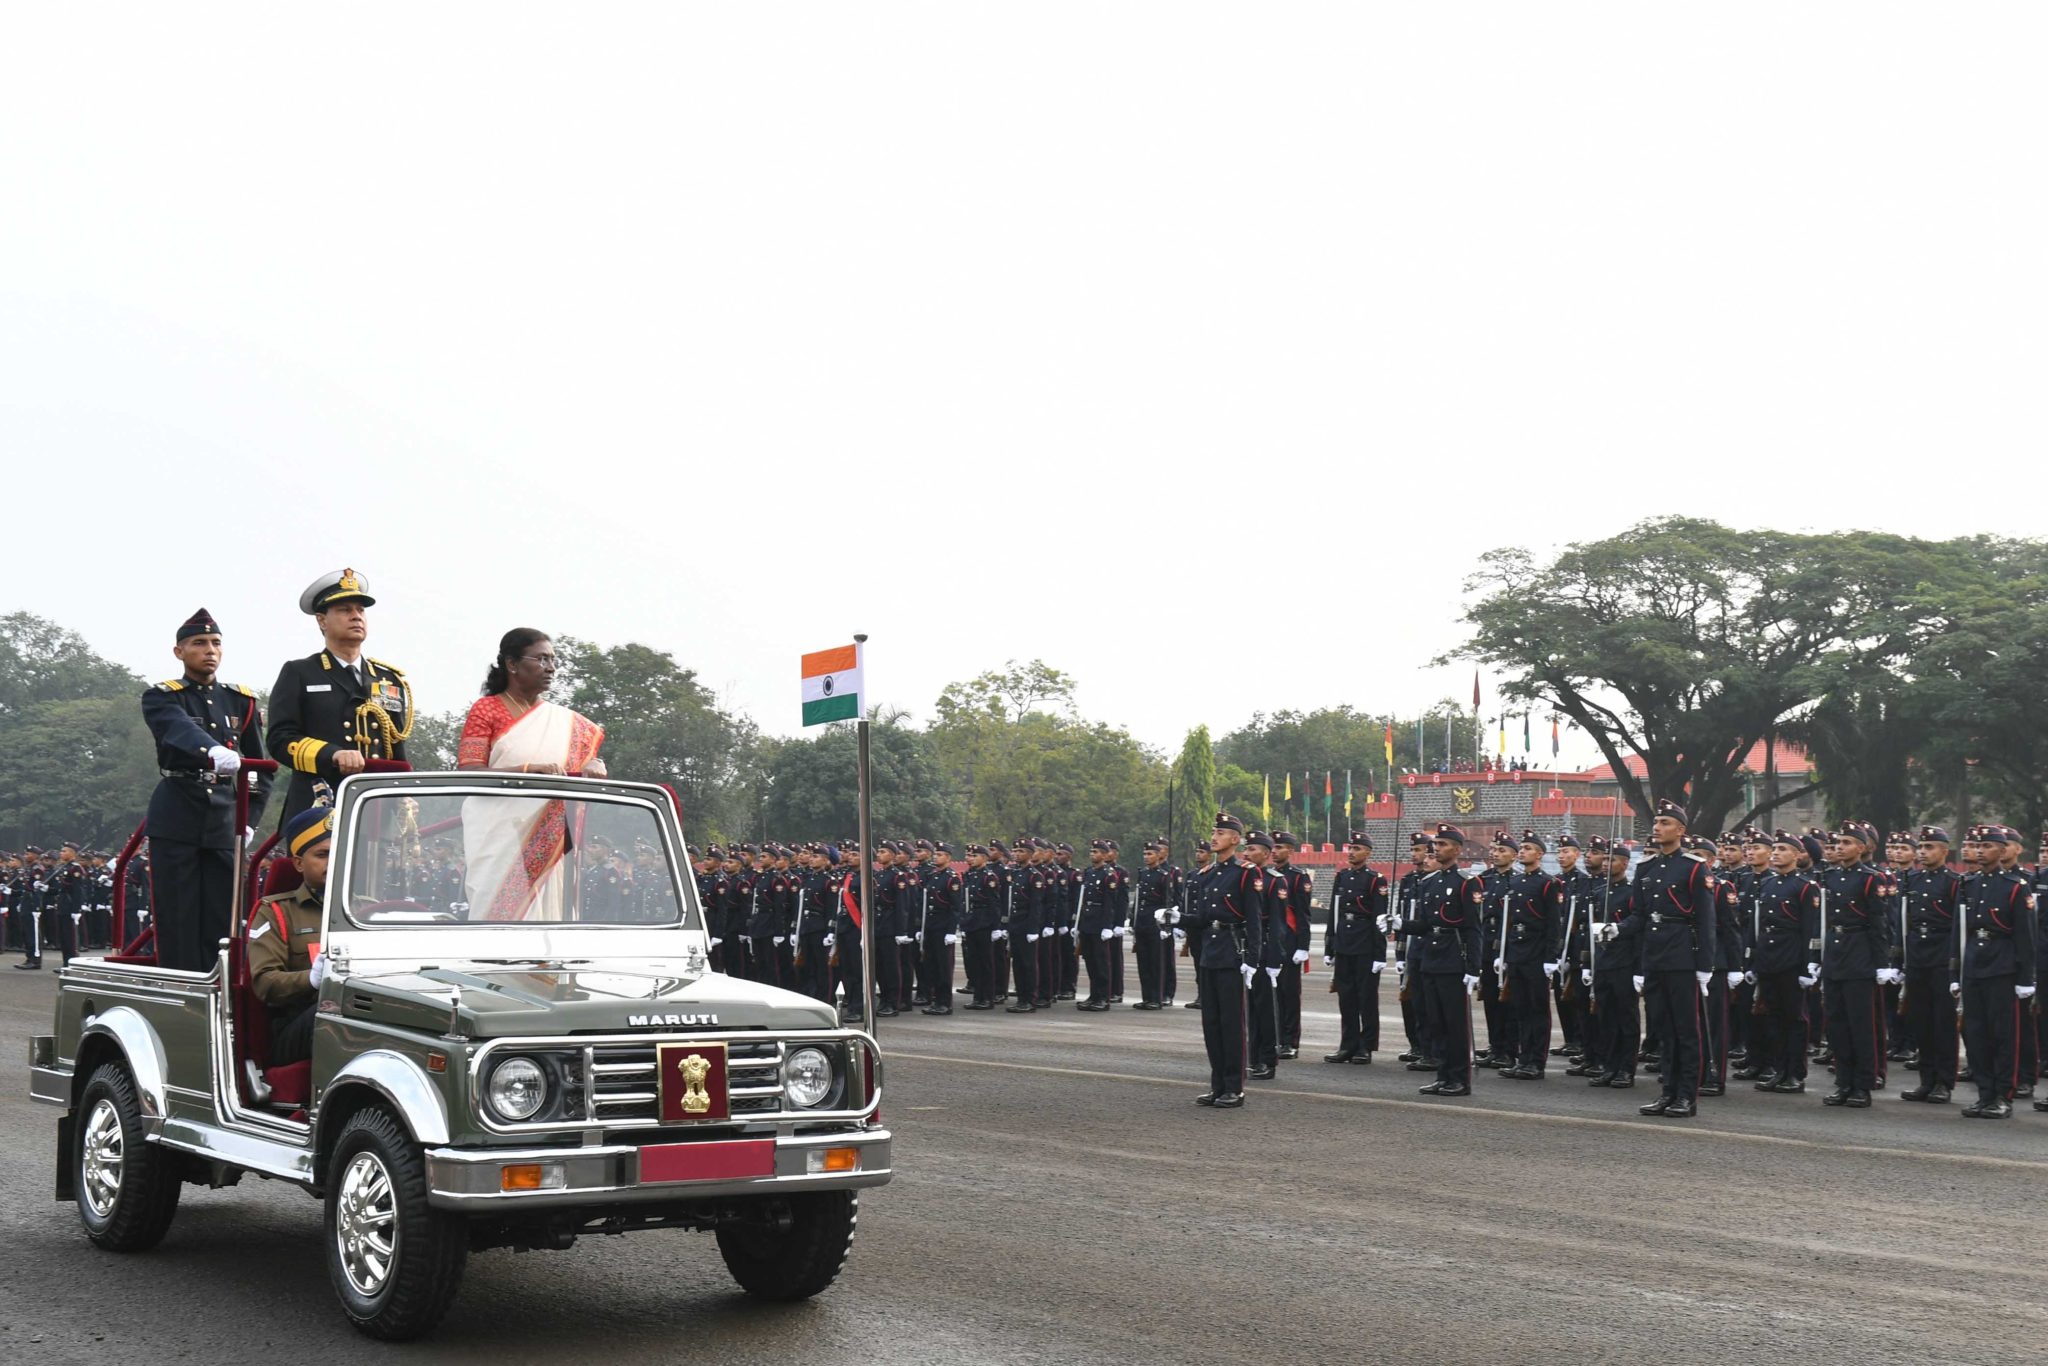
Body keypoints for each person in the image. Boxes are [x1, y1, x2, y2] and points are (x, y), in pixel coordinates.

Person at [141, 608, 273, 973]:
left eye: (216, 643)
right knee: (178, 916)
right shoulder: (163, 697)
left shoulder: (241, 700)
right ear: (179, 651)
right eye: (199, 643)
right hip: (178, 811)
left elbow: (259, 770)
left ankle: (222, 987)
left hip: (224, 818)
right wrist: (210, 750)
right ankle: (183, 989)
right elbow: (177, 728)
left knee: (223, 916)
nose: (209, 650)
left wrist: (250, 820)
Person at [268, 569, 414, 822]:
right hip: (318, 805)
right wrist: (332, 754)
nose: (356, 616)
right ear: (322, 621)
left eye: (361, 610)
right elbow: (280, 739)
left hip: (374, 808)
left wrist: (405, 795)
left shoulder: (388, 679)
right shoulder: (300, 672)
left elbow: (395, 747)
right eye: (345, 610)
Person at [1630, 799, 1716, 1119]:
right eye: (1656, 822)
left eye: (1664, 823)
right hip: (1655, 956)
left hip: (1682, 956)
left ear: (1680, 830)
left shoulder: (1694, 867)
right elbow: (1639, 917)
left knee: (1685, 1030)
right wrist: (1614, 929)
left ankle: (1686, 1096)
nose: (1657, 827)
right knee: (1663, 1029)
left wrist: (1704, 966)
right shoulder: (1645, 868)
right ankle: (1668, 1092)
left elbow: (1706, 920)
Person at [1957, 826, 2036, 1119]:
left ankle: (2003, 1095)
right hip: (1974, 964)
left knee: (2003, 1036)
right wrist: (1955, 972)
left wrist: (2025, 979)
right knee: (1976, 1034)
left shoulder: (2016, 886)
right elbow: (1959, 931)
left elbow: (2025, 936)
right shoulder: (1969, 884)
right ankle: (1984, 1093)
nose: (1980, 851)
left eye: (1987, 846)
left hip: (2002, 967)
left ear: (2002, 851)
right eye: (1977, 846)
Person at [1187, 813, 1264, 1109]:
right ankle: (1217, 1084)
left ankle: (1234, 1087)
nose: (1214, 837)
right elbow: (1203, 918)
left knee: (1231, 1024)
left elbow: (1254, 920)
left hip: (1233, 953)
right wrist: (1176, 918)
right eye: (1213, 832)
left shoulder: (1246, 873)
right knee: (1212, 1023)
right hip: (1210, 953)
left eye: (1220, 833)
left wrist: (1253, 959)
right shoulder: (1207, 874)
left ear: (1235, 839)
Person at [248, 806, 334, 1069]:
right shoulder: (276, 911)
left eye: (339, 854)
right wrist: (310, 979)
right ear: (298, 863)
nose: (332, 862)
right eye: (322, 855)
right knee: (333, 1013)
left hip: (353, 1012)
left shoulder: (364, 909)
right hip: (296, 1024)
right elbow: (264, 982)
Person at [1403, 823, 1483, 1097]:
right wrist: (1399, 924)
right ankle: (1443, 1075)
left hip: (1453, 958)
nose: (1436, 848)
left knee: (1454, 1024)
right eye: (1435, 844)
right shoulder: (1429, 882)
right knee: (1436, 1022)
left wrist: (1473, 968)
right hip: (1431, 958)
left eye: (1442, 844)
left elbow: (1473, 928)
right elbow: (1425, 925)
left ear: (1457, 850)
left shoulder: (1467, 882)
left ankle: (1459, 1079)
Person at [1818, 822, 1891, 1108]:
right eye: (1838, 842)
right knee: (1837, 1024)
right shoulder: (1830, 876)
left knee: (1861, 1025)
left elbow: (1879, 923)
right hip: (1835, 953)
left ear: (1861, 848)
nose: (1840, 847)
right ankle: (1843, 1082)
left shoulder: (1870, 879)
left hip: (1859, 953)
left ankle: (1863, 1084)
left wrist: (1881, 963)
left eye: (1847, 843)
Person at [1899, 826, 1961, 1104]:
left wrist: (1954, 963)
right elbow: (1904, 920)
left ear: (1944, 852)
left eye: (1929, 847)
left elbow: (1957, 925)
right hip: (1917, 955)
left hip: (1941, 956)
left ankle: (1943, 1082)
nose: (1922, 852)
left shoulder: (1954, 882)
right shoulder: (1911, 879)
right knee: (1921, 1021)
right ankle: (1926, 1080)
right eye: (1921, 847)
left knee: (1943, 1023)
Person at [1323, 833, 1388, 1064]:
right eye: (1350, 848)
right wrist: (1330, 946)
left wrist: (1379, 954)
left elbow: (1379, 918)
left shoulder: (1375, 880)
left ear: (1368, 853)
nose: (1351, 852)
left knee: (1366, 998)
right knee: (1346, 997)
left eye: (1357, 848)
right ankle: (1348, 1044)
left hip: (1365, 943)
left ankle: (1366, 1046)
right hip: (1344, 942)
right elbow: (1334, 913)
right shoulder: (1342, 877)